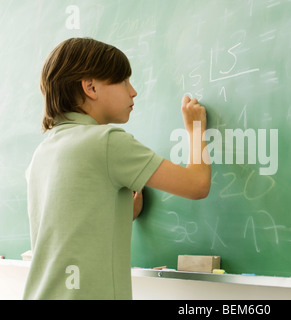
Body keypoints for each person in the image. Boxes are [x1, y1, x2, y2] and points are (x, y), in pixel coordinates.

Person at [23, 38, 211, 300]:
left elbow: (70, 227)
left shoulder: (42, 154)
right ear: (90, 87)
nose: (133, 91)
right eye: (123, 81)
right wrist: (196, 129)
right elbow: (197, 185)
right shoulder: (107, 142)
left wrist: (123, 213)